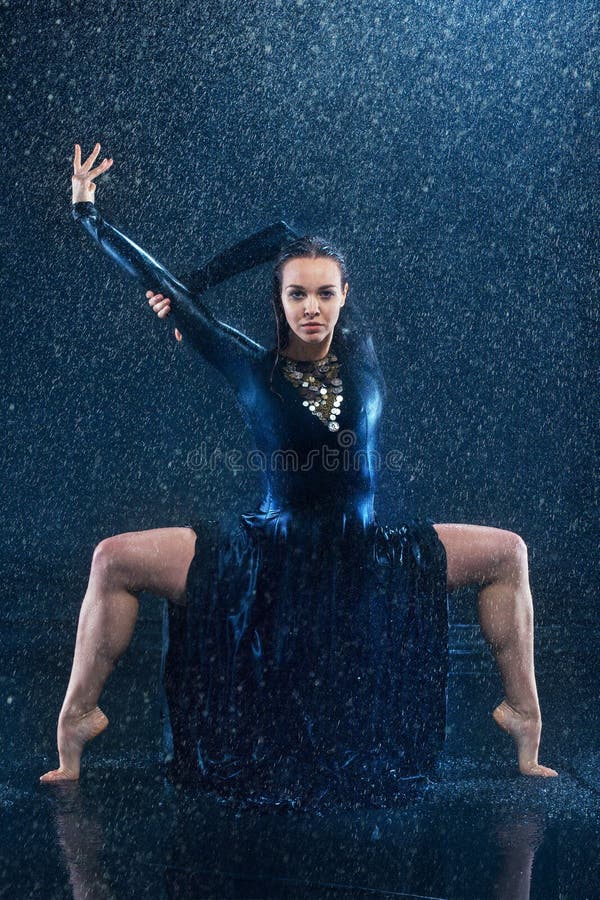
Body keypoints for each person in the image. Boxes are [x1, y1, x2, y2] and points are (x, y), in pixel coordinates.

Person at [39, 143, 557, 802]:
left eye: (324, 293)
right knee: (113, 559)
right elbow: (174, 281)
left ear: (344, 297)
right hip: (270, 556)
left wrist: (215, 276)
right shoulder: (246, 364)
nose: (311, 306)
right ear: (279, 300)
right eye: (296, 294)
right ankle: (78, 716)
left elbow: (286, 234)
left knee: (508, 553)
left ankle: (524, 717)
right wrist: (94, 220)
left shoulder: (359, 348)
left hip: (363, 553)